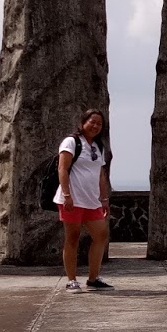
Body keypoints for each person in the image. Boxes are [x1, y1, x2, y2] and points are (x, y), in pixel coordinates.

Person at [56, 108, 113, 291]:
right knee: (72, 238)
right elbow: (62, 169)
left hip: (91, 200)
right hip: (73, 198)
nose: (95, 126)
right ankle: (71, 280)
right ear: (83, 123)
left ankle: (93, 277)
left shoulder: (98, 146)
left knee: (101, 234)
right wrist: (67, 195)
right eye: (92, 122)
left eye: (99, 123)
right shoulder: (71, 142)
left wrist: (104, 198)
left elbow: (100, 175)